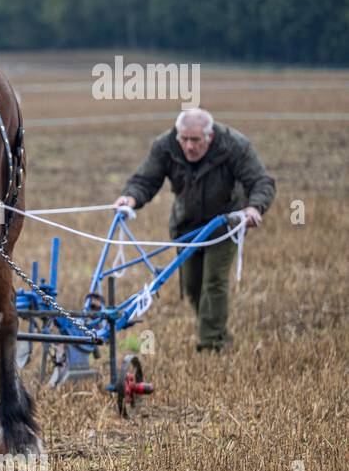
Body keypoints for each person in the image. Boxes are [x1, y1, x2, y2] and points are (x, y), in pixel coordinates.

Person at [114, 109, 275, 352]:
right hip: (186, 225)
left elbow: (261, 182)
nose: (189, 146)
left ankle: (211, 344)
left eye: (195, 140)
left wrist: (254, 208)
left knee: (214, 281)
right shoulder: (165, 146)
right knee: (192, 285)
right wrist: (129, 199)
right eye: (184, 139)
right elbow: (145, 180)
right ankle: (216, 331)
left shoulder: (234, 145)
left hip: (225, 224)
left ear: (209, 137)